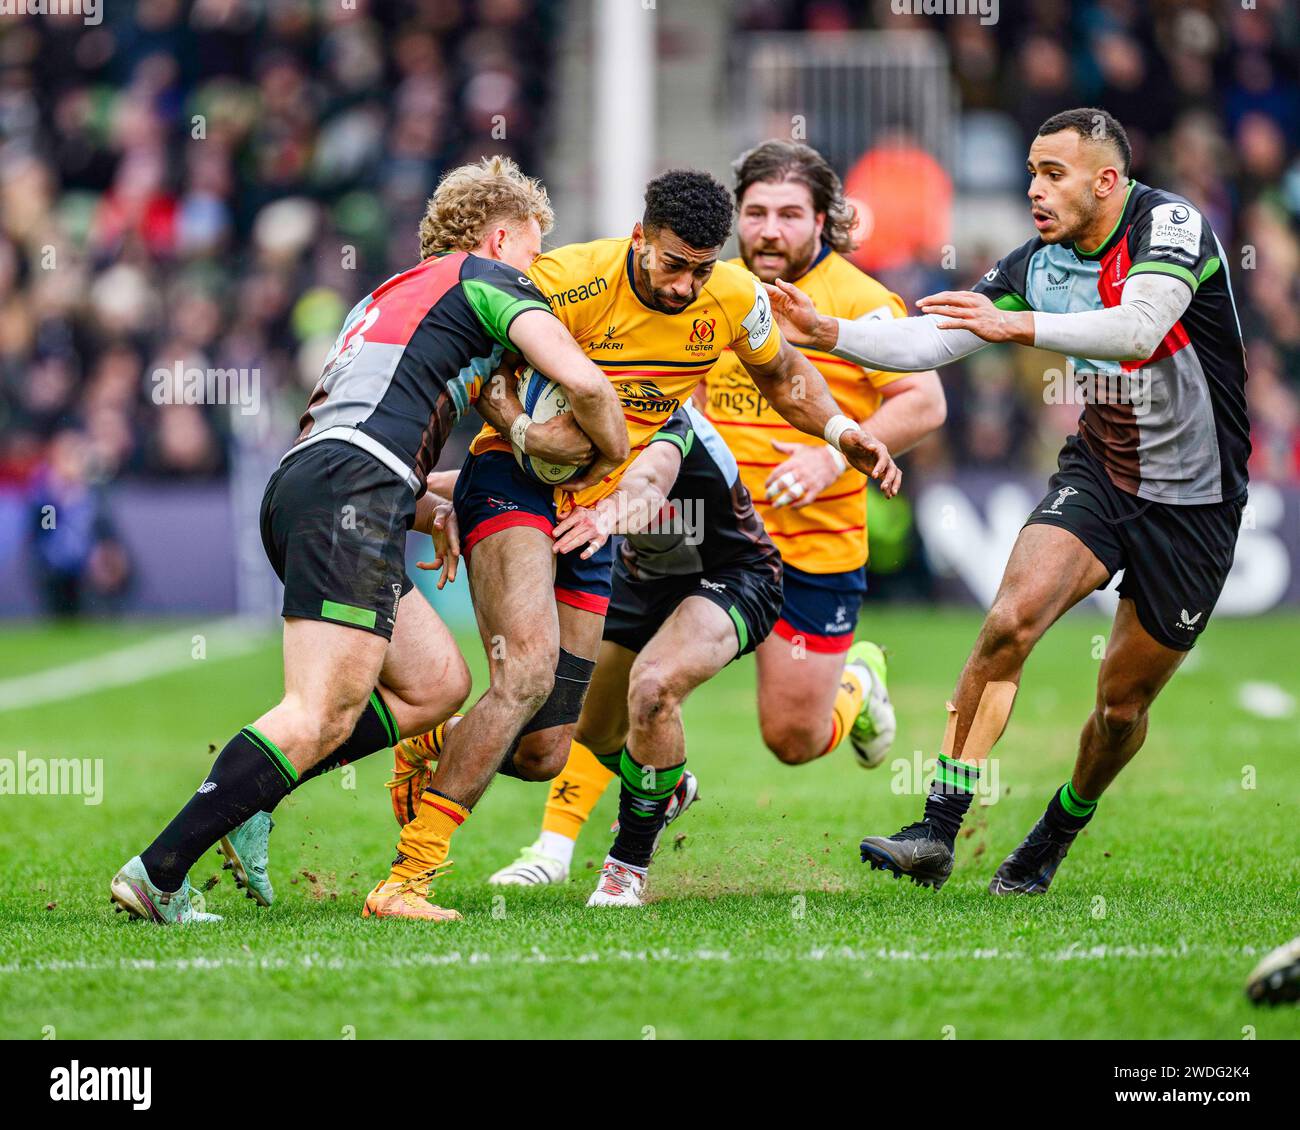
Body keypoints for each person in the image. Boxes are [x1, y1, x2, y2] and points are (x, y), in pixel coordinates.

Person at [365, 168, 901, 921]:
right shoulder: (565, 280)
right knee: (535, 706)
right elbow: (476, 365)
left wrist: (844, 434)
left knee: (588, 736)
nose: (686, 286)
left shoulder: (734, 301)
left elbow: (780, 378)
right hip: (546, 498)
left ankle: (486, 776)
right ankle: (431, 857)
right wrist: (492, 444)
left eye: (702, 269)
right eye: (674, 264)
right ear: (640, 238)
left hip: (658, 536)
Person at [109, 156, 626, 924]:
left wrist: (420, 506)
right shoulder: (488, 278)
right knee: (319, 711)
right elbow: (584, 386)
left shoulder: (383, 295)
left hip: (320, 483)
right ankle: (159, 873)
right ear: (500, 234)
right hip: (354, 490)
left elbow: (366, 413)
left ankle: (253, 795)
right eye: (532, 251)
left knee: (434, 686)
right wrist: (614, 456)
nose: (537, 271)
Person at [767, 108, 1249, 894]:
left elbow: (1140, 327)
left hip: (1196, 499)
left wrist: (1016, 326)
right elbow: (935, 338)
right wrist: (828, 331)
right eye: (1029, 171)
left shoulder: (1171, 226)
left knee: (1120, 710)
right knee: (1008, 620)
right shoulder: (1040, 260)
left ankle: (1059, 827)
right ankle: (936, 830)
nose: (1033, 189)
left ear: (1106, 181)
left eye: (1051, 173)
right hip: (1102, 472)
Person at [489, 141, 947, 887]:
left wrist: (832, 450)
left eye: (789, 215)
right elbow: (664, 406)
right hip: (684, 526)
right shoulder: (679, 289)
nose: (769, 230)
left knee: (792, 740)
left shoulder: (852, 300)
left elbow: (915, 398)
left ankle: (857, 683)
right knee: (606, 707)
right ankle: (553, 850)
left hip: (803, 541)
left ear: (823, 221)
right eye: (758, 213)